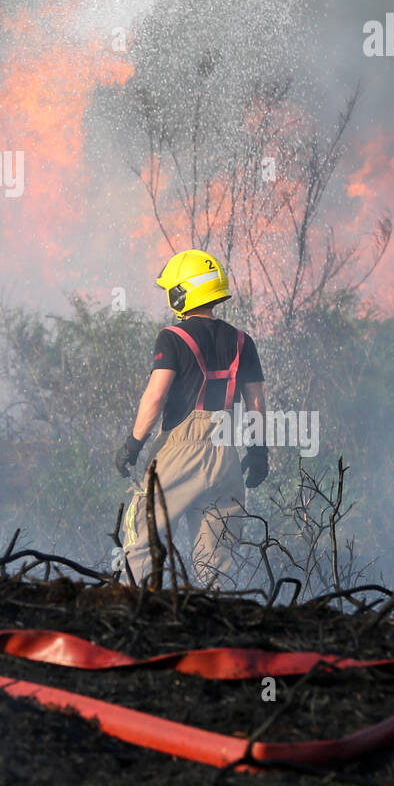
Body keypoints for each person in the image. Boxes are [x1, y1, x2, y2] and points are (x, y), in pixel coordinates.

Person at [117, 249, 267, 586]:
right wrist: (258, 453)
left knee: (143, 538)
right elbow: (256, 404)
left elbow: (155, 397)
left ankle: (129, 616)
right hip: (226, 456)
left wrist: (133, 444)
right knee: (217, 560)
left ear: (183, 291)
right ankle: (214, 625)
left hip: (180, 452)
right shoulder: (244, 341)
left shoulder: (171, 338)